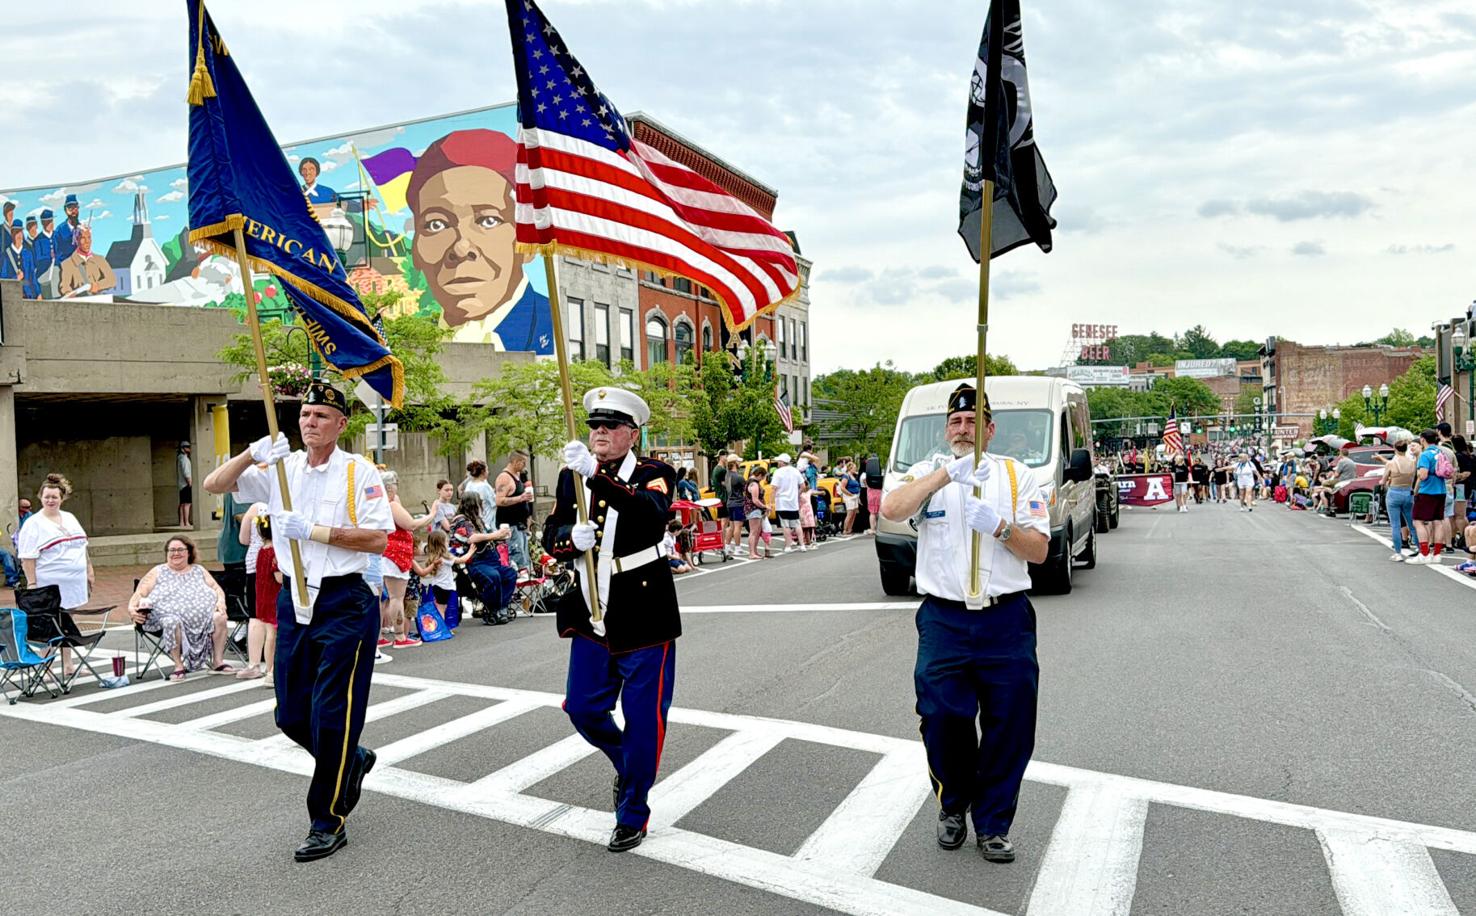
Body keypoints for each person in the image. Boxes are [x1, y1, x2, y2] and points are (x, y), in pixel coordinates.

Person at [202, 381, 394, 863]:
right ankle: (353, 758)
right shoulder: (281, 470)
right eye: (306, 414)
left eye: (321, 415)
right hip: (295, 600)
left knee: (332, 715)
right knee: (289, 715)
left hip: (344, 601)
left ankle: (326, 820)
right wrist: (250, 454)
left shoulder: (358, 471)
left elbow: (376, 540)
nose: (310, 422)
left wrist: (313, 530)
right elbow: (214, 486)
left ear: (341, 424)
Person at [878, 382, 1049, 864]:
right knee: (942, 716)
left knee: (1010, 724)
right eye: (955, 422)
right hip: (945, 618)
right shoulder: (926, 473)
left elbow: (1039, 550)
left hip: (1005, 618)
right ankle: (952, 804)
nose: (962, 428)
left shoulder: (1018, 477)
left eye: (973, 421)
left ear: (990, 430)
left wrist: (999, 526)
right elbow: (890, 509)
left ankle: (993, 823)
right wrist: (942, 479)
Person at [543, 385, 679, 853]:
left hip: (644, 612)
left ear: (631, 433)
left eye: (610, 426)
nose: (599, 433)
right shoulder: (570, 474)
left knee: (644, 722)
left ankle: (633, 811)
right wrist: (568, 539)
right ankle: (628, 764)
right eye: (595, 426)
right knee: (581, 707)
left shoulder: (655, 472)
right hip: (590, 609)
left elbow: (650, 516)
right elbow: (550, 533)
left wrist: (596, 478)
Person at [407, 129, 553, 353]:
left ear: (527, 244)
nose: (461, 247)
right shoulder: (410, 346)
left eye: (488, 220)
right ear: (416, 249)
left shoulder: (554, 328)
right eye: (436, 224)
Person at [16, 474, 95, 678]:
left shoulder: (70, 517)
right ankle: (47, 665)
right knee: (50, 623)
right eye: (47, 497)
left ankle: (68, 665)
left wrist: (89, 570)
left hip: (74, 583)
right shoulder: (33, 523)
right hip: (49, 583)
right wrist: (32, 584)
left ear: (62, 498)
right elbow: (27, 557)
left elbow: (82, 546)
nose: (51, 500)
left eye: (55, 497)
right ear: (40, 497)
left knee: (67, 621)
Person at [128, 537, 235, 680]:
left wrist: (221, 602)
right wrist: (131, 608)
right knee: (171, 621)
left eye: (180, 550)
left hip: (203, 619)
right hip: (165, 618)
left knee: (220, 617)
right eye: (172, 550)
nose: (175, 553)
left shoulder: (199, 570)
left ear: (189, 552)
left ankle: (218, 662)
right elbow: (140, 592)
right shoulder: (158, 571)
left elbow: (216, 588)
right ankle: (178, 666)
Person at [377, 470, 435, 649]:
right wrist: (432, 514)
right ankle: (400, 636)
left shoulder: (375, 502)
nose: (397, 490)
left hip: (383, 552)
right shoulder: (391, 505)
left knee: (380, 598)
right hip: (395, 554)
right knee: (396, 597)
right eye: (395, 486)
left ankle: (379, 635)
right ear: (389, 487)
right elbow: (411, 524)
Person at [448, 494, 516, 616]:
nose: (482, 506)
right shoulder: (460, 520)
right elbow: (472, 538)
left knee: (510, 574)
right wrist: (495, 535)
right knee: (493, 576)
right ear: (473, 505)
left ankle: (501, 606)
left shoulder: (477, 519)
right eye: (480, 503)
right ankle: (493, 608)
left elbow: (487, 537)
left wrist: (501, 536)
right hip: (475, 561)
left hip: (490, 558)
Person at [250, 516, 282, 687]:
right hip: (274, 597)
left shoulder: (262, 550)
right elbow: (279, 578)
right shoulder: (276, 551)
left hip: (262, 595)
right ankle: (272, 671)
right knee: (274, 635)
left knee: (270, 633)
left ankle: (269, 669)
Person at [1411, 428, 1449, 564]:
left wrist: (1418, 477)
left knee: (1418, 521)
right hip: (1441, 490)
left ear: (1422, 440)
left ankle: (1424, 553)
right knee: (1438, 521)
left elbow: (1423, 475)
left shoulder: (1425, 455)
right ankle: (1437, 553)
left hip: (1427, 491)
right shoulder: (1440, 452)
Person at [495, 452, 537, 572]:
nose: (525, 465)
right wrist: (520, 498)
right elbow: (499, 500)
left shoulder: (518, 475)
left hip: (520, 524)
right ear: (515, 462)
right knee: (518, 561)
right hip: (510, 525)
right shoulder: (504, 477)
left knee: (525, 559)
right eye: (523, 462)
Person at [1382, 438, 1419, 561]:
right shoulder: (1412, 462)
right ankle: (1420, 548)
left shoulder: (1391, 463)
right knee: (1411, 522)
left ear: (1395, 449)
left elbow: (1383, 480)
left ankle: (1398, 552)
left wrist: (1386, 482)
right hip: (1408, 492)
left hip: (1394, 492)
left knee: (1395, 525)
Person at [58, 225, 117, 297]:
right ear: (76, 240)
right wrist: (70, 295)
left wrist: (96, 286)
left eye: (89, 237)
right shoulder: (67, 264)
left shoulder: (100, 260)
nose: (87, 241)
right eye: (83, 238)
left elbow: (112, 280)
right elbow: (65, 287)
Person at [413, 530, 457, 620]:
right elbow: (461, 560)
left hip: (438, 585)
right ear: (441, 544)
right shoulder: (444, 557)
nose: (448, 543)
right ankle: (442, 629)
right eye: (446, 541)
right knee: (441, 609)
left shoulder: (435, 556)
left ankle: (441, 628)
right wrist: (471, 552)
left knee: (440, 608)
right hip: (444, 586)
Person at [770, 454, 804, 553]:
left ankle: (788, 546)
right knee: (797, 524)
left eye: (778, 461)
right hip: (793, 502)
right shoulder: (795, 471)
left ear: (782, 462)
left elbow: (774, 488)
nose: (777, 463)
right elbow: (803, 486)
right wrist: (796, 494)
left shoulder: (778, 472)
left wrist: (771, 503)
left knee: (785, 525)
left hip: (782, 502)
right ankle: (802, 545)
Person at [2, 219, 35, 299]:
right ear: (12, 234)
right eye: (16, 232)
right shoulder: (5, 255)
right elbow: (3, 278)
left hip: (29, 295)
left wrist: (39, 293)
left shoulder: (28, 253)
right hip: (12, 296)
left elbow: (32, 276)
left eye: (20, 232)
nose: (19, 235)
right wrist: (15, 279)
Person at [745, 466, 772, 559]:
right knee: (753, 532)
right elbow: (755, 500)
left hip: (754, 510)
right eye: (763, 477)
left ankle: (754, 551)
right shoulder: (754, 484)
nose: (763, 479)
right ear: (760, 475)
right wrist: (765, 506)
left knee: (756, 532)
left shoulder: (750, 482)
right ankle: (752, 553)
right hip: (754, 510)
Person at [723, 455, 746, 556]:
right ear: (734, 463)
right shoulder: (738, 477)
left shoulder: (727, 475)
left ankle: (727, 546)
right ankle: (738, 548)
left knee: (731, 526)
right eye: (738, 462)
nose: (739, 463)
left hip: (730, 502)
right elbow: (746, 488)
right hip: (738, 503)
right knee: (738, 526)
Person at [463, 460, 497, 527]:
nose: (488, 472)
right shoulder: (485, 486)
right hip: (486, 521)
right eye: (487, 470)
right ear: (483, 472)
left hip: (473, 520)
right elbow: (495, 502)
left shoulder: (469, 484)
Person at [53, 194, 81, 267]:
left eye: (75, 208)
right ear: (66, 211)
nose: (73, 211)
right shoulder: (59, 230)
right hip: (66, 268)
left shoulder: (82, 229)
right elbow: (57, 255)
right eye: (70, 209)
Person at [33, 209, 57, 298]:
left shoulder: (56, 235)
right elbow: (38, 259)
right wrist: (49, 257)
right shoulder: (38, 240)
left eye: (51, 221)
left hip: (56, 273)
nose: (50, 224)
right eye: (47, 222)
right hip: (43, 276)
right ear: (43, 223)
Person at [837, 459, 861, 534]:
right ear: (850, 468)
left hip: (855, 496)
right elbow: (842, 487)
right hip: (849, 497)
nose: (855, 469)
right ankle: (845, 529)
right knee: (850, 513)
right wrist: (850, 494)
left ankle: (850, 529)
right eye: (854, 468)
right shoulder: (846, 476)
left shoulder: (853, 476)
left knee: (854, 513)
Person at [863, 454, 884, 534]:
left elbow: (865, 484)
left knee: (873, 512)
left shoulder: (867, 474)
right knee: (877, 512)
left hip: (872, 493)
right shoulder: (878, 472)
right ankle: (877, 528)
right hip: (878, 493)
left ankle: (873, 528)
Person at [177, 441, 193, 528]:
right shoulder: (184, 459)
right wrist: (189, 482)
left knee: (182, 504)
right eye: (187, 447)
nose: (189, 449)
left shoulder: (180, 458)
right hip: (186, 484)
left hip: (181, 484)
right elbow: (186, 472)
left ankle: (182, 522)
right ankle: (186, 522)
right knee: (187, 504)